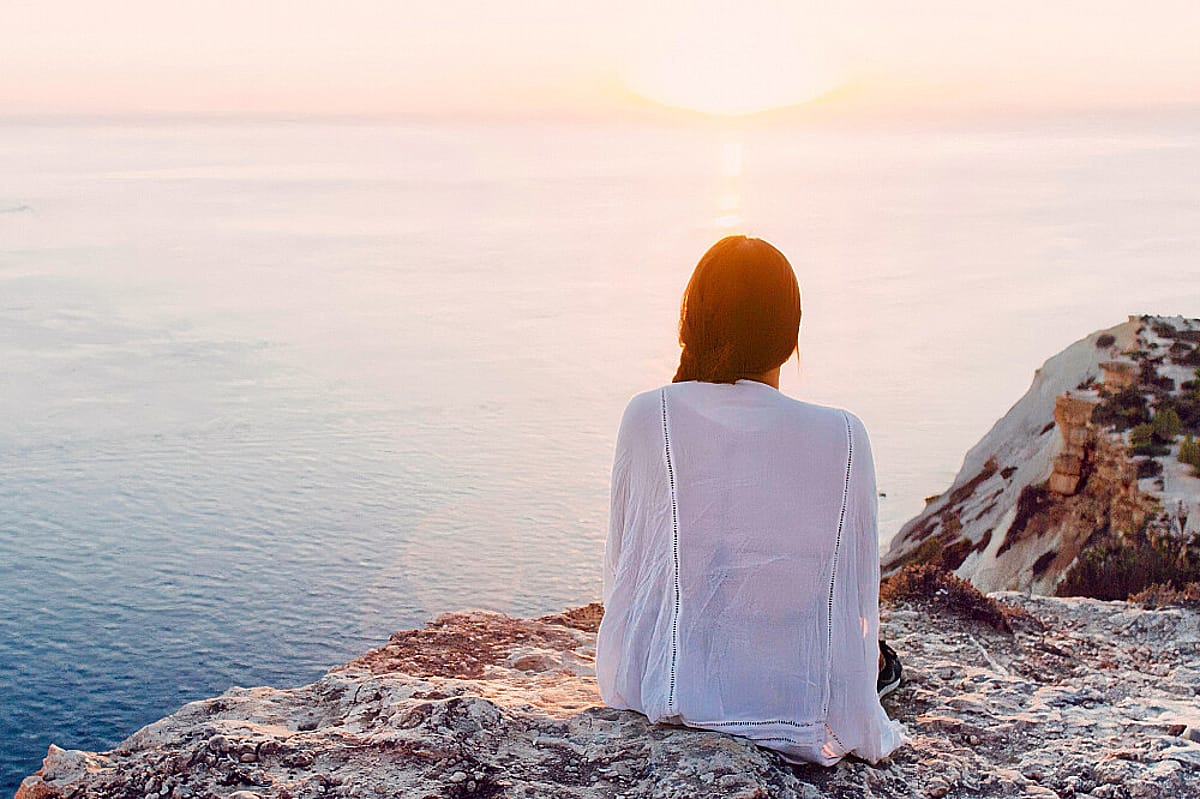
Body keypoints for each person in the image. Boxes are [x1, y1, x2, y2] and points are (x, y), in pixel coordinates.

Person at [595, 235, 907, 766]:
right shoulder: (845, 436)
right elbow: (853, 593)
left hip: (672, 685)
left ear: (692, 321)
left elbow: (627, 577)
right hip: (795, 695)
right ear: (789, 335)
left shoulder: (649, 416)